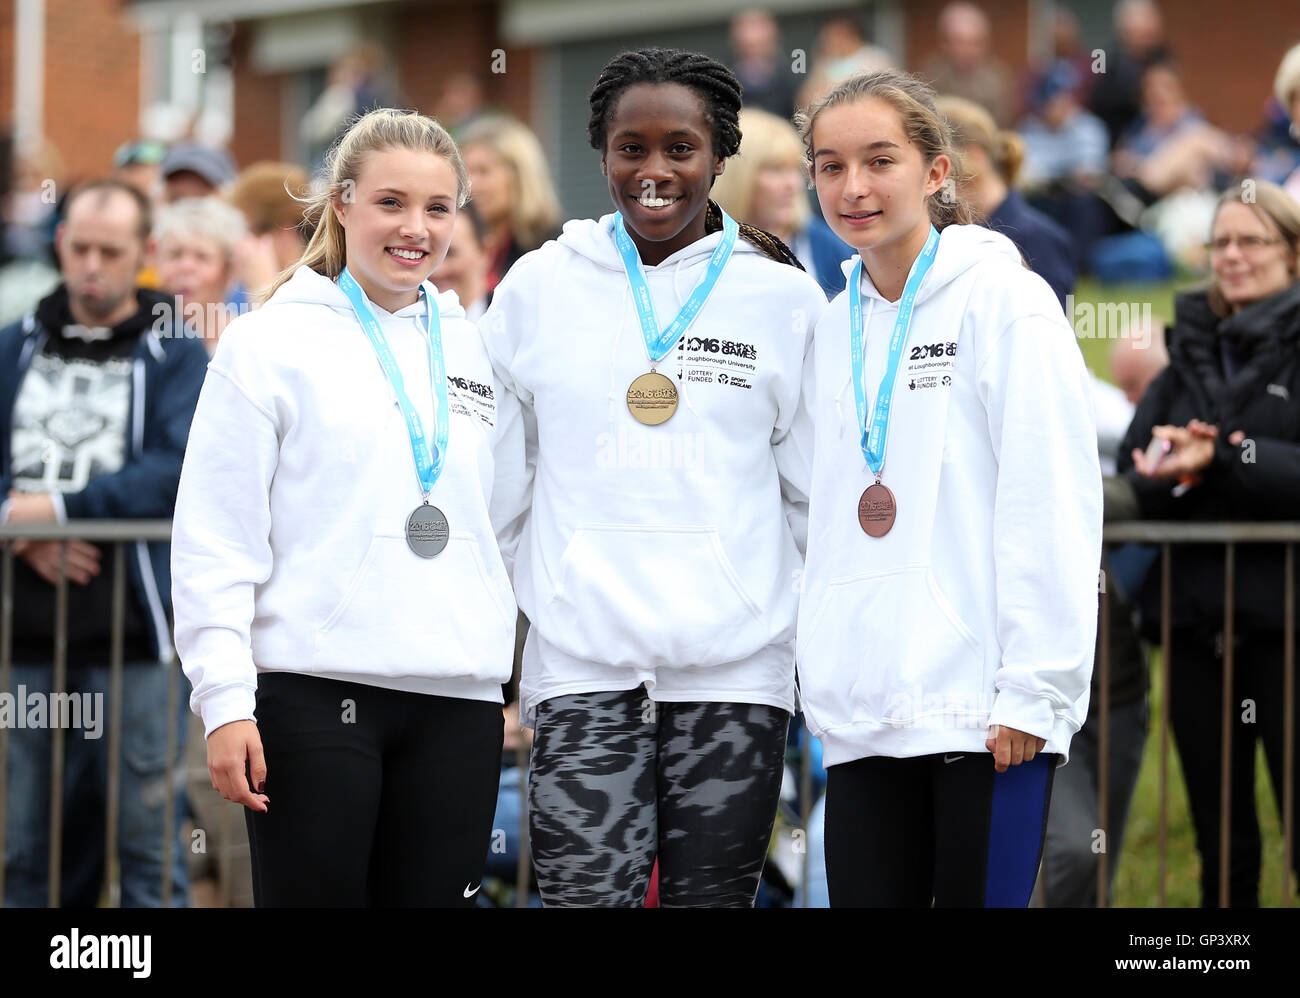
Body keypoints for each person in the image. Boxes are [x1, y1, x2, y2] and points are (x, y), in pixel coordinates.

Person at [481, 47, 829, 907]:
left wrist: (782, 625)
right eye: (631, 147)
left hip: (736, 675)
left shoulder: (781, 298)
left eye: (681, 147)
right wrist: (552, 596)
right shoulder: (538, 288)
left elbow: (810, 497)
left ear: (721, 155)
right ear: (600, 152)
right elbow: (502, 486)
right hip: (582, 668)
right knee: (584, 901)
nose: (655, 170)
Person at [170, 108, 527, 907]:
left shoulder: (474, 346)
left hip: (456, 704)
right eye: (391, 203)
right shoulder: (268, 344)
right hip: (312, 697)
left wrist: (505, 678)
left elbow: (501, 522)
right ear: (342, 204)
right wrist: (224, 701)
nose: (415, 228)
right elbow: (214, 541)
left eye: (438, 208)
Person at [793, 69, 1102, 907]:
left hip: (984, 715)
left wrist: (1036, 688)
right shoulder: (829, 326)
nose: (852, 187)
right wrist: (821, 674)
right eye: (829, 165)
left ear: (936, 173)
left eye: (879, 160)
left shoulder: (1008, 302)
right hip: (863, 721)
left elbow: (1053, 500)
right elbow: (818, 513)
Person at [0, 178, 209, 907]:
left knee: (146, 837)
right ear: (59, 244)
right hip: (22, 635)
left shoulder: (178, 351)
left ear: (144, 255)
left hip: (135, 632)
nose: (91, 264)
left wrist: (58, 510)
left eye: (110, 251)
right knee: (24, 840)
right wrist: (18, 530)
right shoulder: (13, 345)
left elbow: (178, 469)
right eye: (79, 247)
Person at [1120, 181, 1300, 907]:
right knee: (1218, 833)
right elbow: (1139, 459)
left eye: (1251, 241)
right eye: (1221, 242)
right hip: (1199, 623)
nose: (1232, 256)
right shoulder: (1191, 342)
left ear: (1291, 254)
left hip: (1290, 624)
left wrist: (1224, 455)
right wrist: (1172, 461)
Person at [938, 94, 1075, 308]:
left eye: (939, 164)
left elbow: (1047, 332)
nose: (933, 178)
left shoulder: (1037, 238)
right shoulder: (952, 235)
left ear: (975, 157)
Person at [710, 107, 854, 298]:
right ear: (737, 177)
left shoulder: (831, 246)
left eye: (795, 170)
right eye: (776, 170)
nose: (793, 184)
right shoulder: (702, 247)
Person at [457, 115, 561, 295]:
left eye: (483, 171)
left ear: (520, 177)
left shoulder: (552, 248)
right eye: (465, 172)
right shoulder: (454, 245)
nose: (470, 184)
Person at [153, 197, 248, 354]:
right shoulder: (143, 336)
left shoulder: (241, 341)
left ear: (229, 270)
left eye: (202, 257)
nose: (185, 267)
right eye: (175, 254)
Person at [919, 2, 1012, 127]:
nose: (967, 50)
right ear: (944, 43)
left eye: (974, 42)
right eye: (959, 42)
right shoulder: (929, 75)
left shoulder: (998, 79)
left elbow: (1001, 124)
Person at [729, 8, 797, 119]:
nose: (756, 55)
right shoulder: (727, 86)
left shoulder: (790, 85)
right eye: (749, 48)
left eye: (763, 46)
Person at [431, 201, 490, 321]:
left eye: (450, 254)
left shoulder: (510, 322)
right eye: (427, 254)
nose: (437, 271)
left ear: (484, 252)